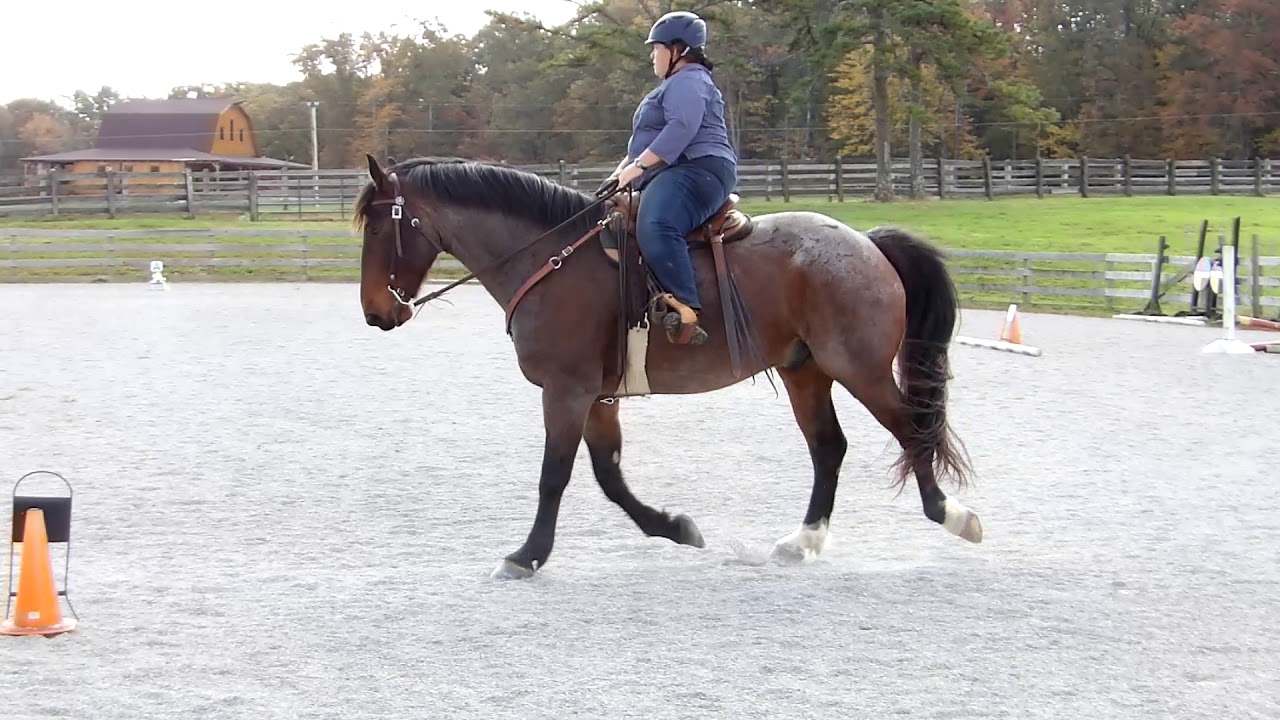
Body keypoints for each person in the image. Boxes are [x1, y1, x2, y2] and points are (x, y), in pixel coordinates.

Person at [602, 10, 738, 346]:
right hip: (674, 169)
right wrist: (620, 174)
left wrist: (640, 167)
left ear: (678, 50)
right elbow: (648, 142)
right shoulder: (674, 85)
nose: (652, 55)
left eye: (657, 48)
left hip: (699, 169)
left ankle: (687, 309)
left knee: (656, 221)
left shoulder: (690, 81)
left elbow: (681, 128)